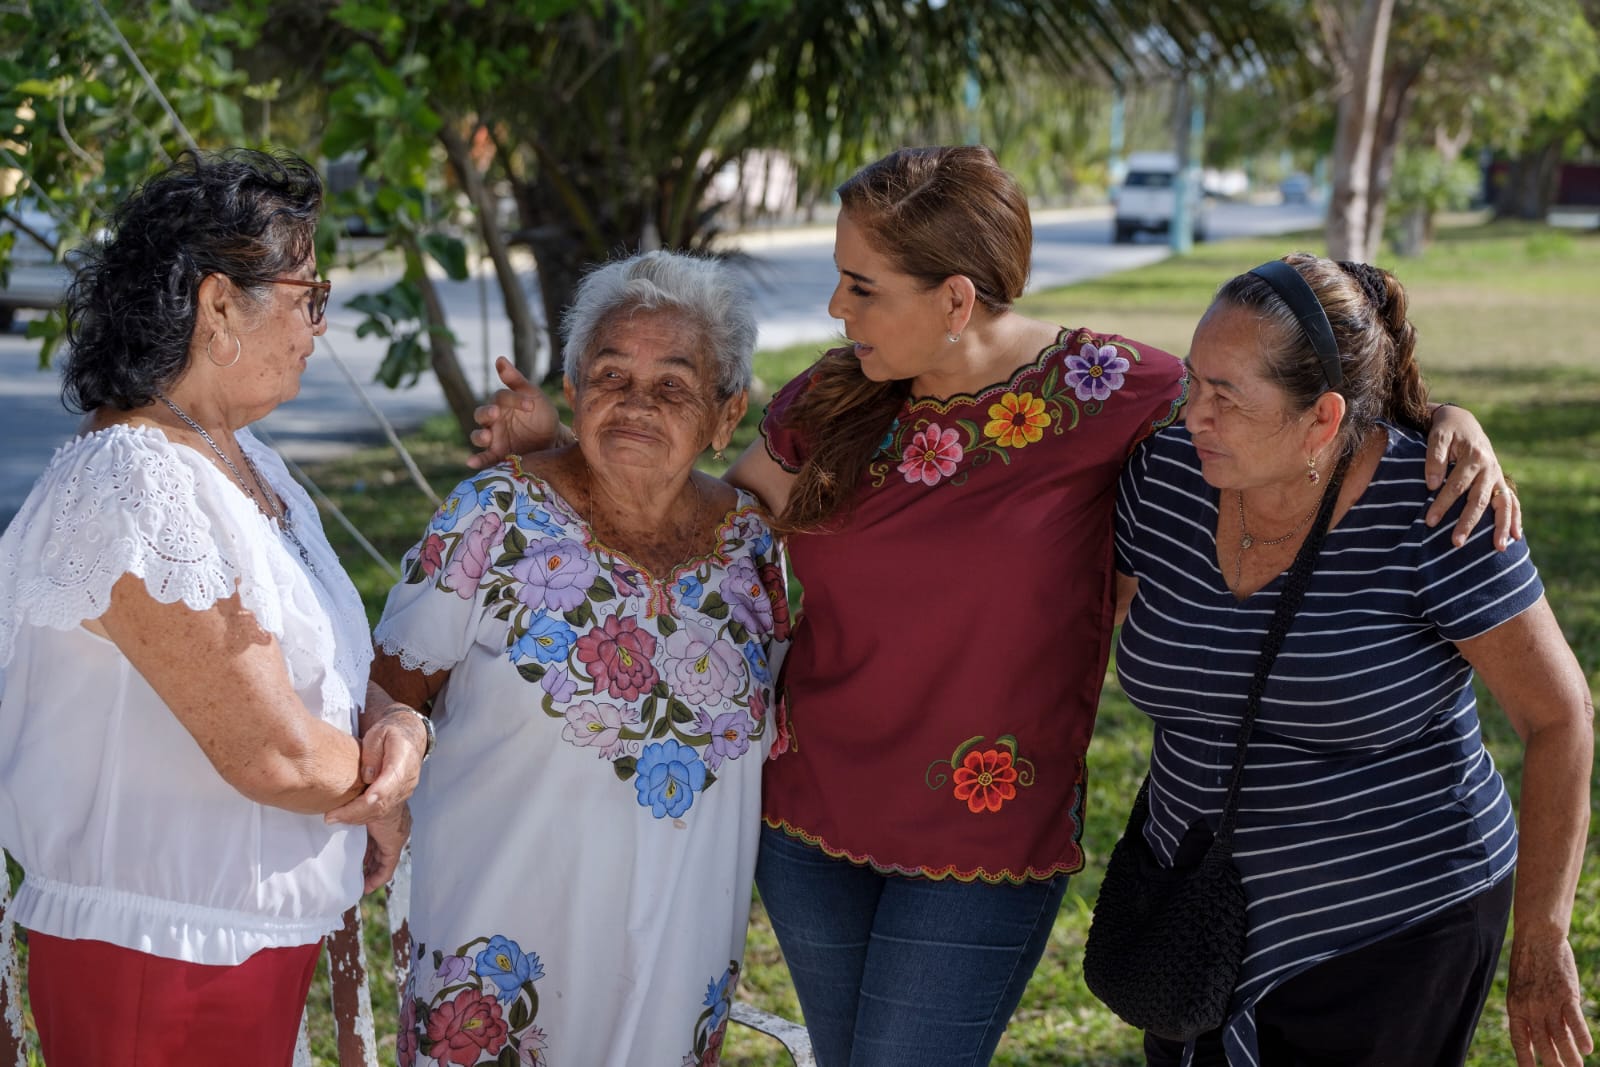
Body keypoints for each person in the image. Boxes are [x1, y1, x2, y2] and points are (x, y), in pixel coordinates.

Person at [467, 146, 1513, 1066]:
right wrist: (554, 450)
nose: (837, 310)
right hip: (808, 817)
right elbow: (703, 526)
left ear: (956, 299)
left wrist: (1444, 420)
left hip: (985, 836)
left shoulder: (1112, 388)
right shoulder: (832, 399)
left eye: (861, 286)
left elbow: (1299, 383)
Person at [1112, 253, 1592, 1067]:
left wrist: (1542, 939)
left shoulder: (1441, 505)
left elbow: (1560, 716)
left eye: (1226, 395)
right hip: (1195, 913)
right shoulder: (1163, 481)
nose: (1194, 413)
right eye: (1195, 382)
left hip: (1393, 927)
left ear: (1323, 418)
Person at [0, 149, 424, 1065]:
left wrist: (390, 721)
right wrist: (389, 787)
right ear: (219, 304)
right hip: (159, 965)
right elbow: (270, 749)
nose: (319, 326)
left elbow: (321, 668)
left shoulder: (239, 456)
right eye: (310, 295)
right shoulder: (133, 481)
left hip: (228, 948)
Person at [370, 250, 787, 1066]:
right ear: (572, 390)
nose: (637, 405)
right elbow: (392, 696)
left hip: (679, 953)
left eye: (673, 385)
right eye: (610, 376)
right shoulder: (491, 516)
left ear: (725, 414)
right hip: (498, 953)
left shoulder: (751, 544)